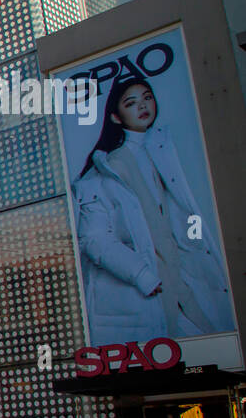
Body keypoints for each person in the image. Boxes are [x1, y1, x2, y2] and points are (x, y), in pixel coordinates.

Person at [74, 75, 233, 340]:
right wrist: (142, 274)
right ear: (115, 116)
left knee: (212, 339)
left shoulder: (166, 151)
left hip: (179, 275)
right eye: (131, 102)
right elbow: (95, 239)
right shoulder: (105, 170)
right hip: (149, 285)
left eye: (147, 98)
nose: (142, 106)